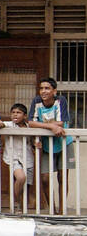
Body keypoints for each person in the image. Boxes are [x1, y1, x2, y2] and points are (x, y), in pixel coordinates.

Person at [27, 77, 73, 208]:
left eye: (47, 88)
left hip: (64, 143)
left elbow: (61, 122)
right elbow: (31, 122)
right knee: (45, 178)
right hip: (48, 145)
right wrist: (52, 127)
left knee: (62, 177)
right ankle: (52, 209)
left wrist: (44, 125)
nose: (43, 91)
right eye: (41, 88)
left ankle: (61, 209)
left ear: (54, 91)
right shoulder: (36, 101)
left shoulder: (60, 100)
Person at [2, 103, 35, 209]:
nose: (15, 115)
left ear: (25, 116)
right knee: (21, 178)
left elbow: (34, 140)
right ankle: (16, 202)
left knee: (27, 186)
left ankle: (23, 207)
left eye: (18, 113)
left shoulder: (30, 127)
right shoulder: (9, 125)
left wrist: (36, 143)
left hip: (28, 158)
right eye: (13, 113)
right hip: (13, 158)